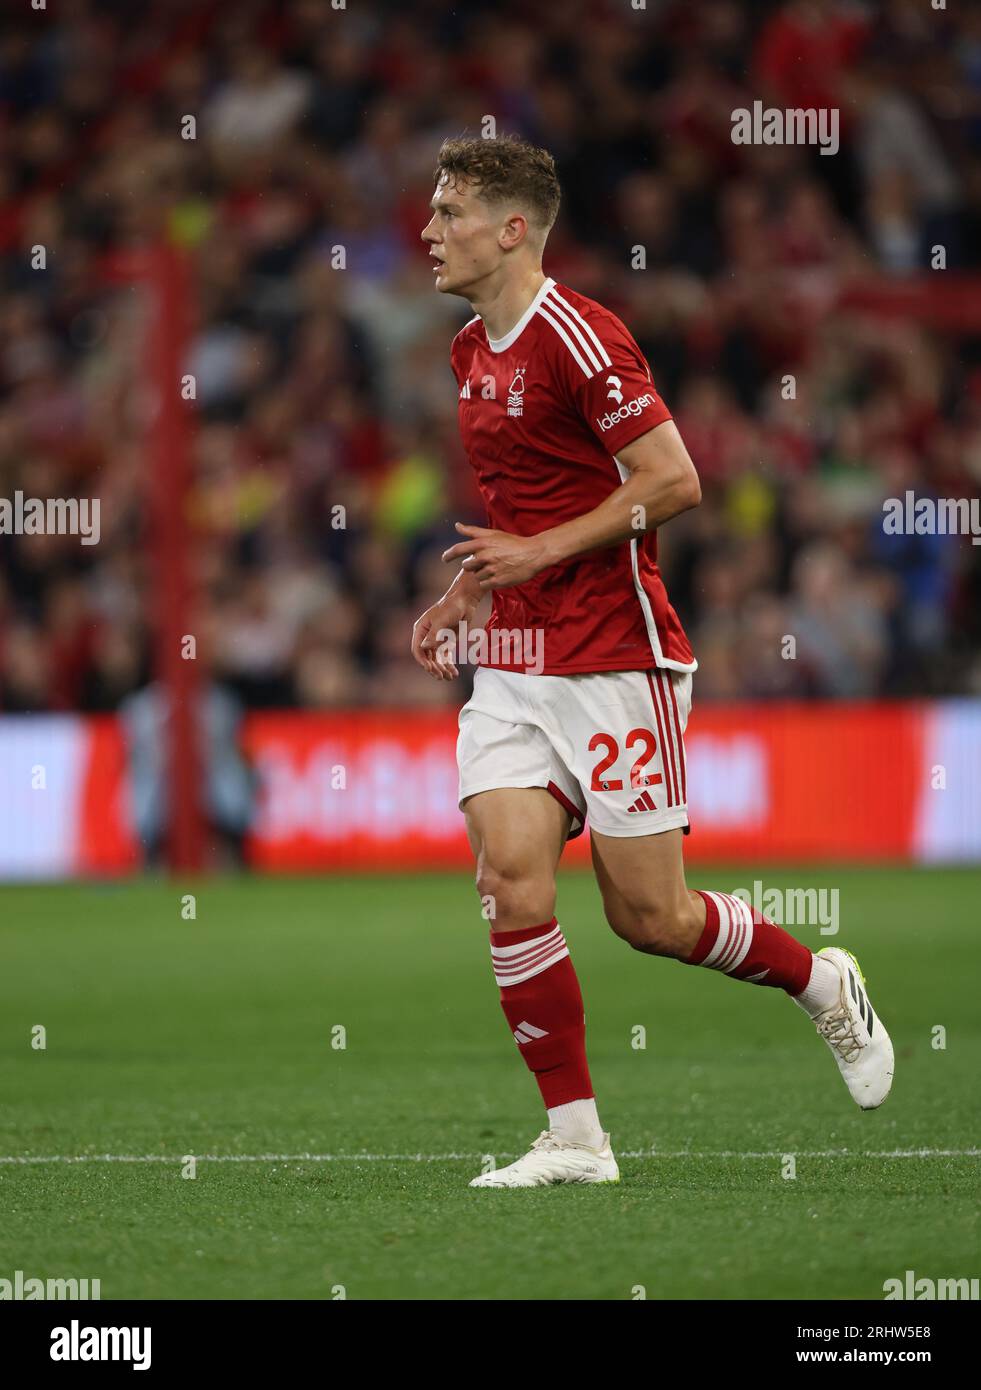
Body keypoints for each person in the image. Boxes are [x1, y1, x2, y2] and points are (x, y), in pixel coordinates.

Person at [412, 135, 893, 1188]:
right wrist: (471, 590)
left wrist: (539, 552)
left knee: (652, 918)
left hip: (615, 656)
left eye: (448, 213)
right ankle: (576, 1138)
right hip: (516, 660)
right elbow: (518, 510)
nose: (428, 231)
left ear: (511, 229)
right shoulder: (468, 352)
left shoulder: (583, 339)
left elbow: (673, 481)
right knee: (510, 879)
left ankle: (821, 978)